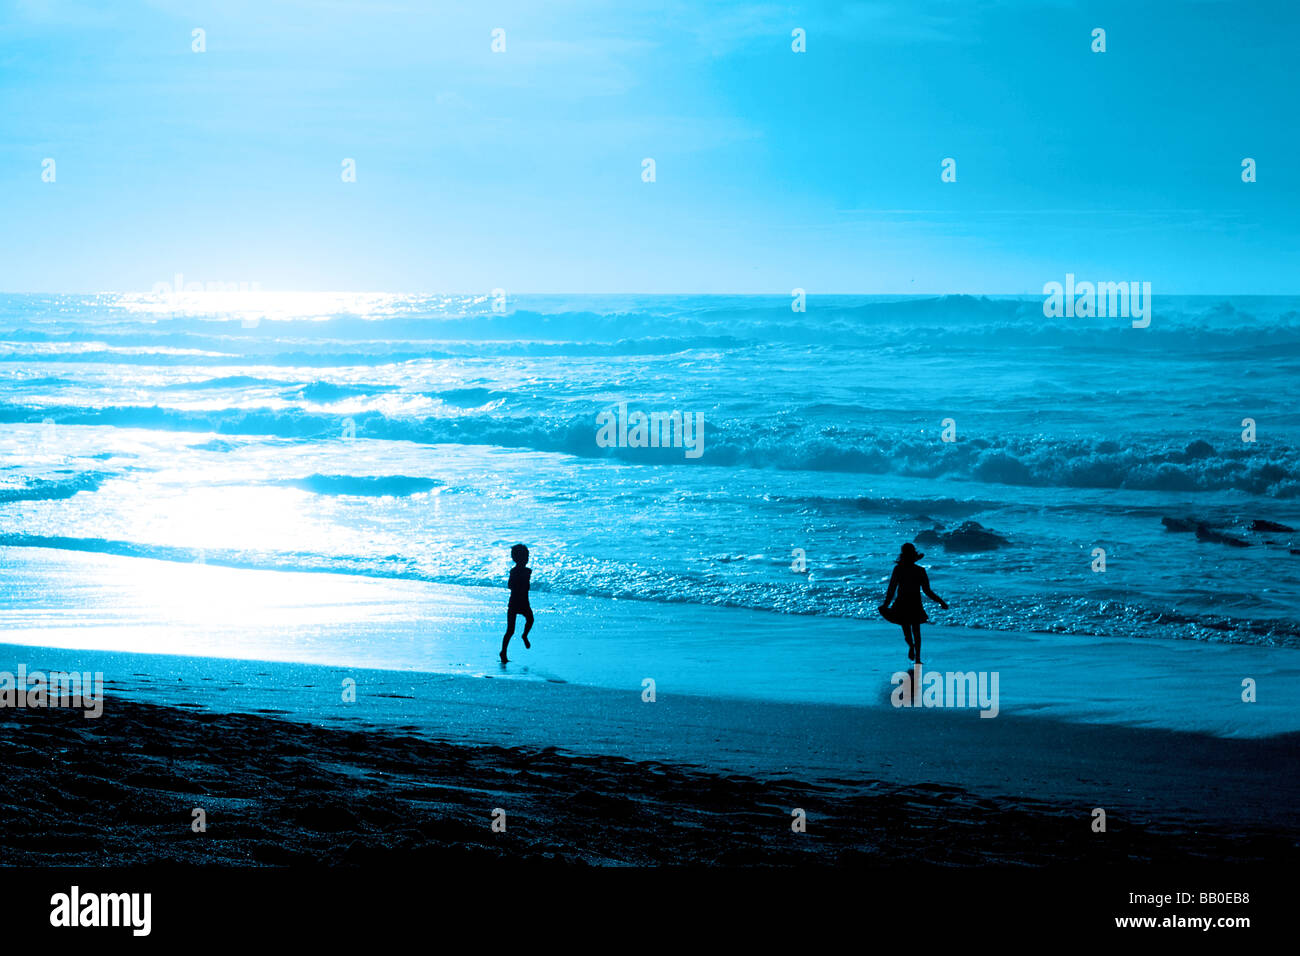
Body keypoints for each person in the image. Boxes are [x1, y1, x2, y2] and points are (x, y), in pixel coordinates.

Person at [880, 542, 948, 664]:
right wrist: (941, 602)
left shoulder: (898, 569)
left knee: (907, 630)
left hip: (902, 603)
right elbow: (927, 591)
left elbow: (891, 590)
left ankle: (912, 648)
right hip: (914, 603)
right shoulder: (920, 570)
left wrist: (886, 605)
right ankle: (917, 658)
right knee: (916, 631)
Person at [499, 543, 535, 662]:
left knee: (530, 619)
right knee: (510, 630)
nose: (527, 559)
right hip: (515, 602)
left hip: (523, 602)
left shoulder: (527, 571)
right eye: (525, 557)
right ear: (516, 558)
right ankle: (503, 652)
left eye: (527, 556)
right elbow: (510, 585)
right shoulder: (514, 571)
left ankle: (524, 635)